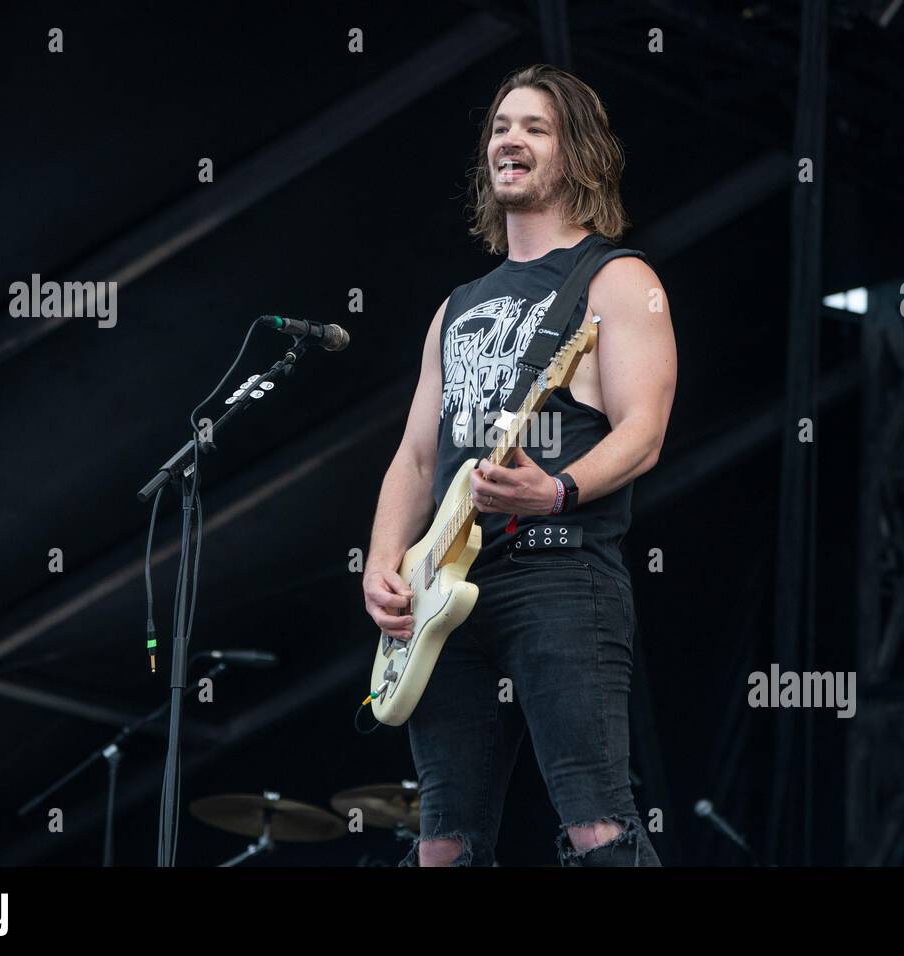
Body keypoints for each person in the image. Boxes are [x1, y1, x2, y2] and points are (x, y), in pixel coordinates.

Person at [363, 64, 677, 866]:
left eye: (536, 128)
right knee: (443, 842)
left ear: (577, 155)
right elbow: (417, 452)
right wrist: (384, 562)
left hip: (561, 575)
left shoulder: (617, 279)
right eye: (502, 126)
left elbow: (644, 430)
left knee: (596, 824)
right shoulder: (457, 305)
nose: (511, 139)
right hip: (445, 598)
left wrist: (560, 487)